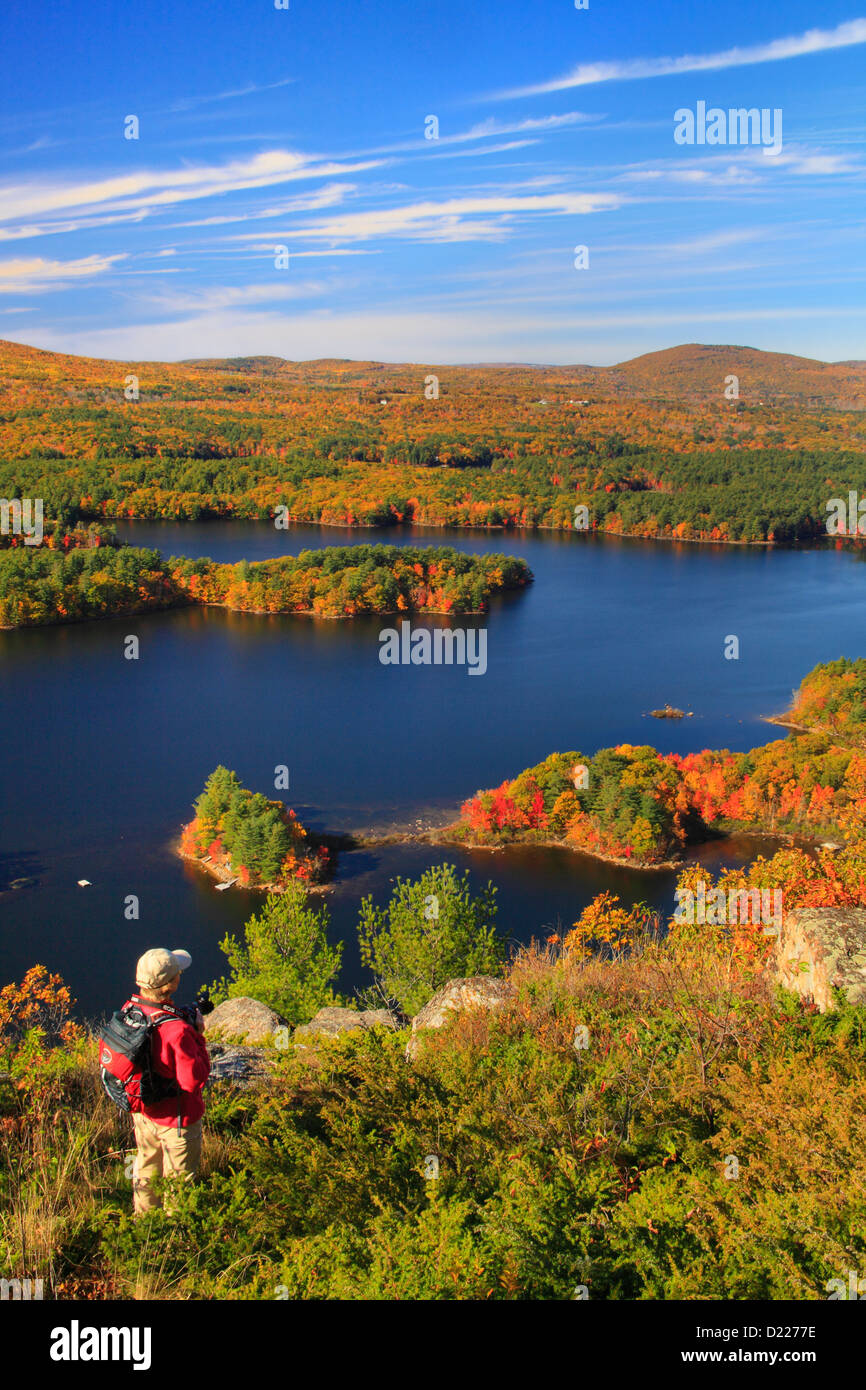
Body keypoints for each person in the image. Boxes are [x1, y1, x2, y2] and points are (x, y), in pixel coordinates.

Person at [127, 947, 210, 1216]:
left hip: (144, 1112)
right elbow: (193, 1080)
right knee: (180, 1185)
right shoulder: (177, 1031)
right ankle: (175, 1240)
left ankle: (144, 1225)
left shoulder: (130, 1011)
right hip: (177, 1121)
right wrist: (197, 1036)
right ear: (172, 983)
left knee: (146, 1169)